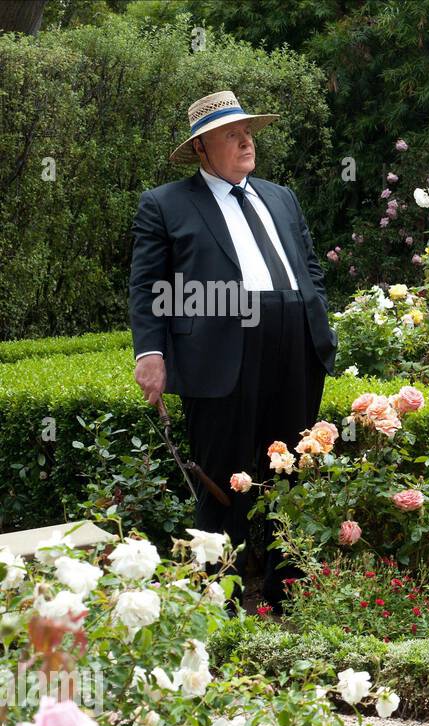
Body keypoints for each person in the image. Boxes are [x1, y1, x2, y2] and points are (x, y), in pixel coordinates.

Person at [129, 91, 338, 612]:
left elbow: (308, 266)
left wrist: (318, 321)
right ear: (202, 148)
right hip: (219, 357)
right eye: (231, 134)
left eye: (248, 131)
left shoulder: (281, 197)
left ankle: (287, 595)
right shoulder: (165, 204)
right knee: (223, 480)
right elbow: (148, 286)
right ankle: (213, 601)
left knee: (291, 471)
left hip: (295, 347)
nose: (246, 141)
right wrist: (150, 352)